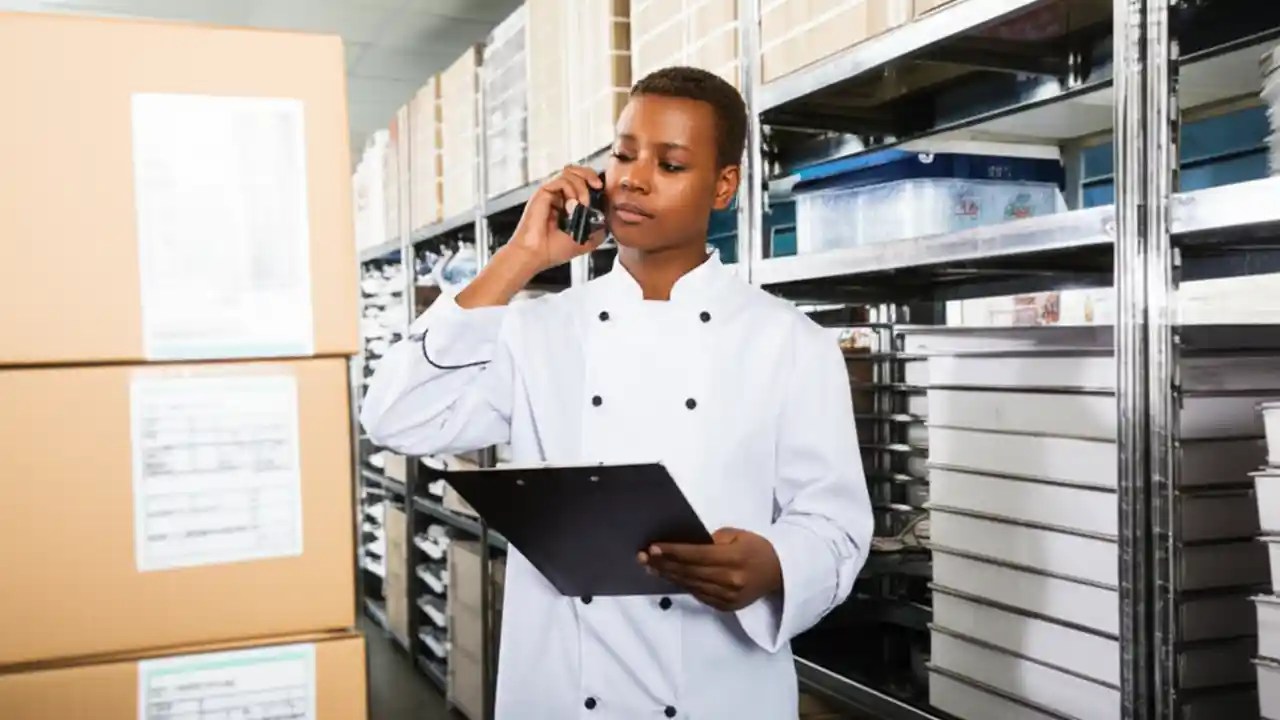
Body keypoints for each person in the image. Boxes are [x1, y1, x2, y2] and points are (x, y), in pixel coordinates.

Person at [361, 66, 872, 720]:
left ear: (724, 186)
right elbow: (395, 417)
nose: (633, 178)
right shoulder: (538, 330)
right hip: (559, 692)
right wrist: (518, 258)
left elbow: (835, 526)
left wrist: (774, 564)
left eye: (670, 164)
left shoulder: (789, 342)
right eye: (624, 154)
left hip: (718, 692)